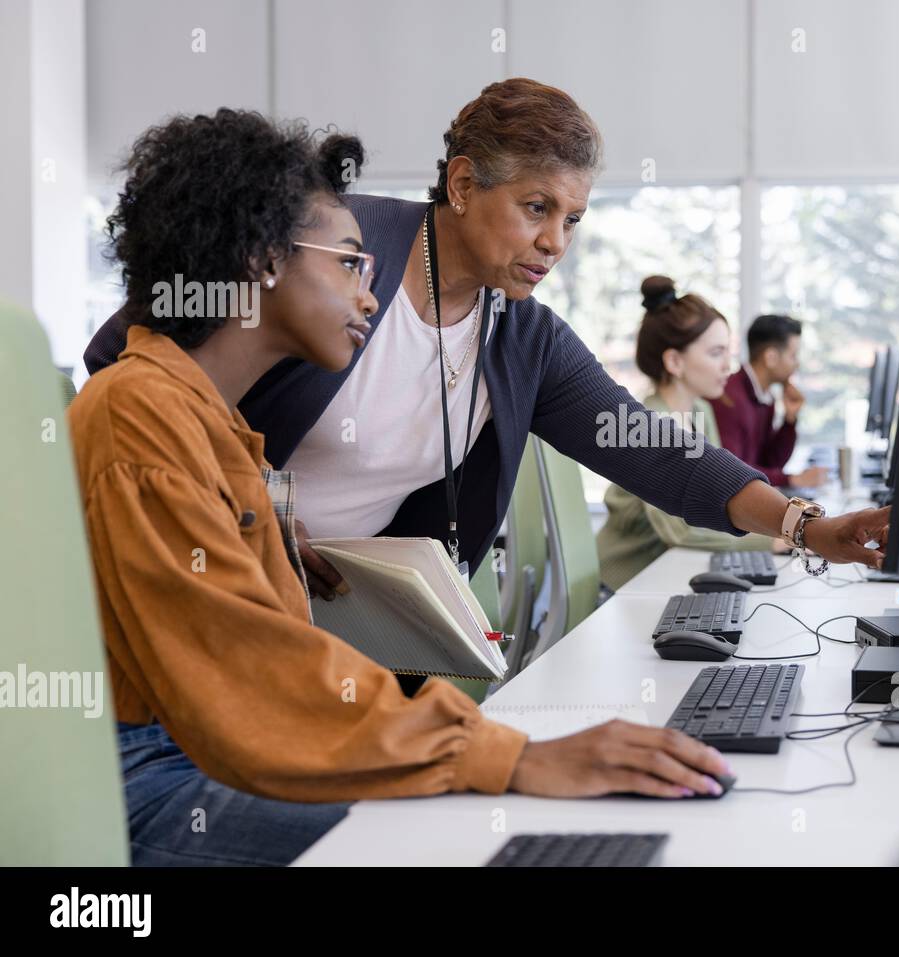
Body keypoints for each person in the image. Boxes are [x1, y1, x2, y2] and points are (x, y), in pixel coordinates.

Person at [69, 109, 733, 867]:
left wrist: (496, 753)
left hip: (213, 746)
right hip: (149, 775)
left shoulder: (215, 428)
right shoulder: (140, 414)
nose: (372, 294)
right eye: (351, 262)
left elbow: (271, 677)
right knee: (454, 836)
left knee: (487, 813)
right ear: (262, 260)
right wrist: (505, 756)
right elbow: (252, 675)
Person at [84, 79, 889, 613]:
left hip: (353, 624)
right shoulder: (336, 244)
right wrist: (251, 499)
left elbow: (658, 453)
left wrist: (802, 524)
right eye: (536, 206)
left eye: (572, 219)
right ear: (464, 186)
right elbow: (122, 350)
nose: (554, 241)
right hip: (212, 587)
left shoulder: (523, 338)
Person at [597, 276, 784, 589]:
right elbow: (680, 532)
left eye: (729, 352)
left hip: (661, 574)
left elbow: (716, 498)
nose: (729, 366)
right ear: (674, 361)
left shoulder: (700, 413)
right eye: (716, 353)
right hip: (620, 585)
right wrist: (771, 539)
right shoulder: (649, 426)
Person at [710, 313, 827, 488]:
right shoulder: (728, 399)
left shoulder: (765, 398)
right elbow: (732, 472)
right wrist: (792, 480)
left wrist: (789, 421)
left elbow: (771, 463)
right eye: (793, 356)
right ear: (770, 357)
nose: (797, 364)